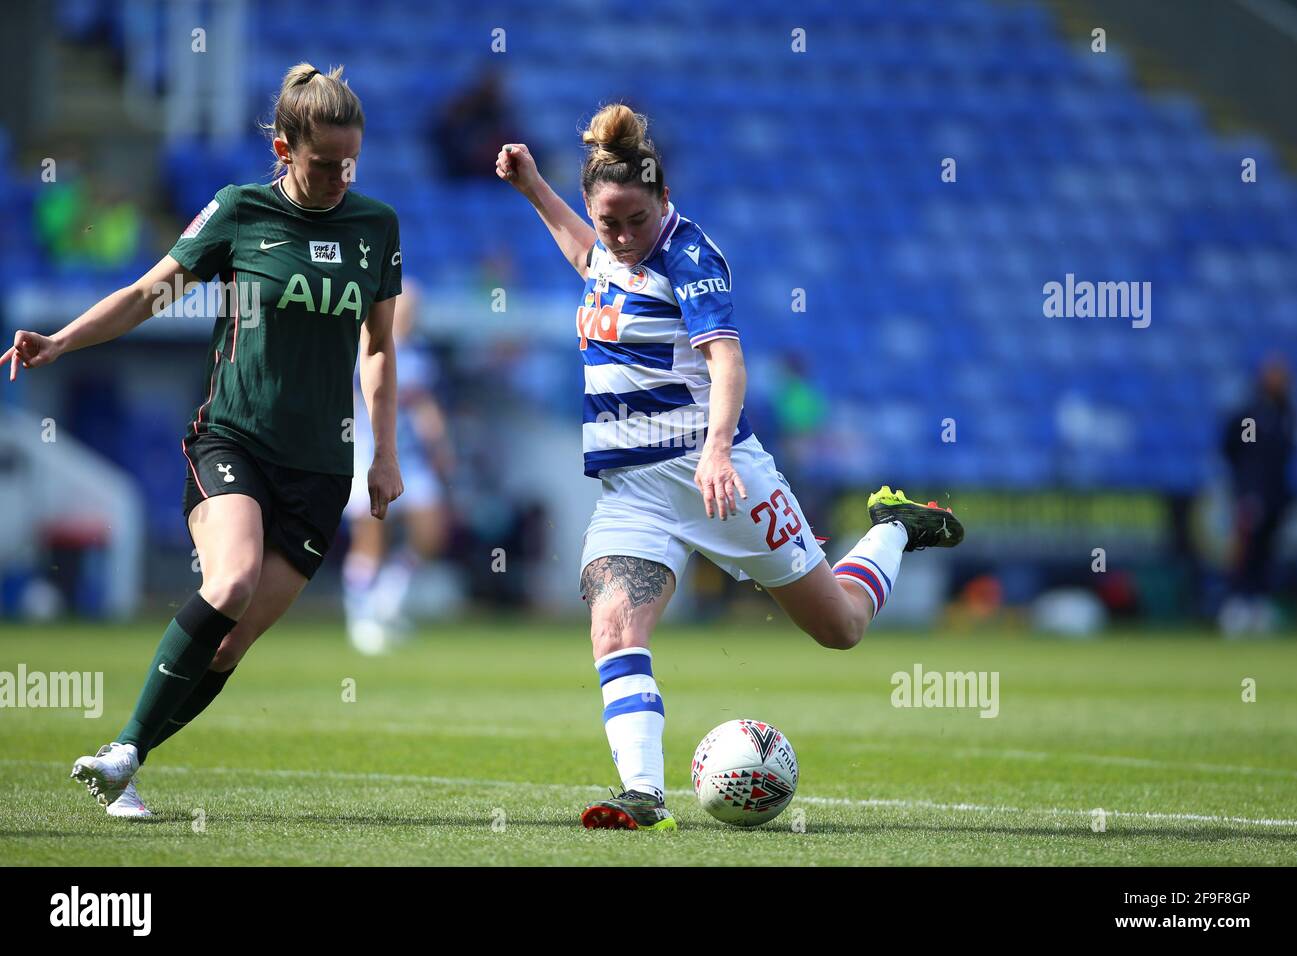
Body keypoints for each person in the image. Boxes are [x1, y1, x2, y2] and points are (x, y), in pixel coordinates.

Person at [496, 104, 965, 831]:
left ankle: (896, 529)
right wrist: (535, 190)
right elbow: (585, 255)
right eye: (608, 221)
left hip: (718, 477)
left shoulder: (690, 257)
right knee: (615, 632)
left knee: (839, 628)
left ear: (665, 202)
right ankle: (644, 797)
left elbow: (728, 361)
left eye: (634, 221)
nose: (620, 238)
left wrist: (715, 449)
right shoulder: (609, 252)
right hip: (633, 494)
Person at [3, 63, 404, 817]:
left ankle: (127, 760)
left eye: (351, 162)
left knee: (229, 645)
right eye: (322, 164)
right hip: (234, 438)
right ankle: (122, 750)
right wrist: (61, 341)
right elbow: (147, 294)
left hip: (322, 468)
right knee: (230, 582)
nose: (338, 178)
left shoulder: (374, 226)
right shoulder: (239, 211)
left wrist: (384, 453)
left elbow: (378, 347)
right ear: (284, 150)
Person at [342, 279, 453, 654]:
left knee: (431, 533)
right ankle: (360, 618)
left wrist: (439, 444)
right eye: (406, 307)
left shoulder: (420, 354)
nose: (411, 315)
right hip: (367, 457)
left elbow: (423, 406)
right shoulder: (363, 346)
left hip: (412, 460)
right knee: (370, 538)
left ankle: (386, 603)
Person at [1219, 355, 1295, 635]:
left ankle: (1259, 604)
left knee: (1267, 550)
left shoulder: (1286, 413)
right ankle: (1237, 604)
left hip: (1277, 494)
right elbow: (1230, 450)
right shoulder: (1249, 414)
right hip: (1252, 493)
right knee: (1246, 550)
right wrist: (1246, 487)